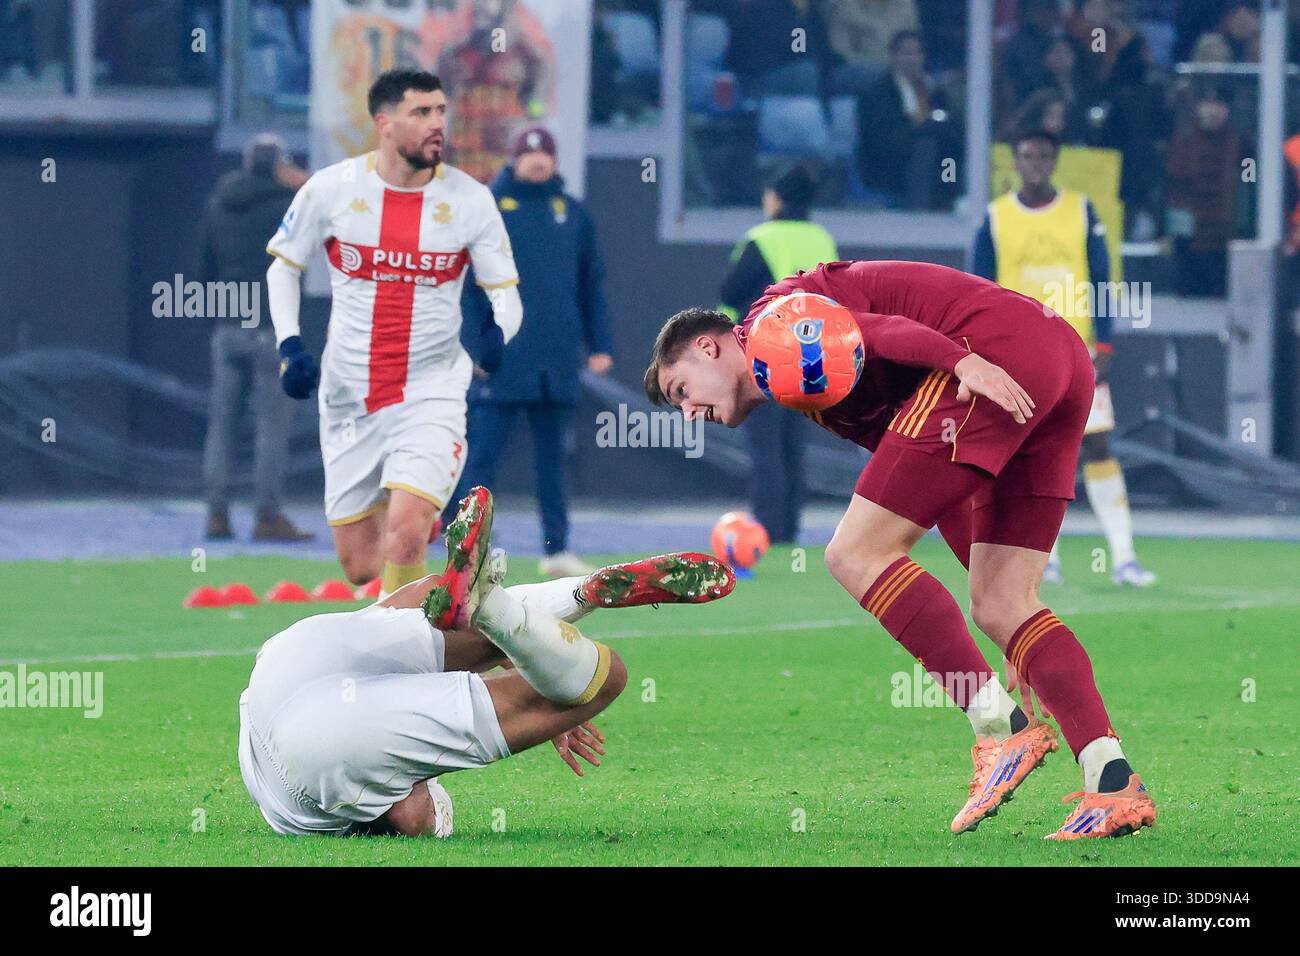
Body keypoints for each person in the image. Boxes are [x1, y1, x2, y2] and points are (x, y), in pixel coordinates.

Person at [643, 260, 1158, 840]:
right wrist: (1009, 630)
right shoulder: (804, 387)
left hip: (987, 357)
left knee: (852, 555)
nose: (688, 413)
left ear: (710, 347)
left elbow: (876, 331)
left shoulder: (769, 331)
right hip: (1060, 364)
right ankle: (1113, 785)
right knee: (1003, 602)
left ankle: (997, 724)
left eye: (680, 390)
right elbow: (941, 493)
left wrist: (965, 362)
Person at [238, 486, 735, 837]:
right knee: (430, 619)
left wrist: (544, 700)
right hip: (282, 661)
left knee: (583, 686)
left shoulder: (361, 778)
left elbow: (407, 812)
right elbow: (412, 809)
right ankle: (573, 593)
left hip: (306, 755)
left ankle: (500, 609)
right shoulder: (374, 765)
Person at [265, 69, 522, 599]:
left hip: (431, 389)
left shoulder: (470, 200)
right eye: (421, 113)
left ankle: (404, 654)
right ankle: (411, 517)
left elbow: (505, 292)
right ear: (384, 123)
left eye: (441, 112)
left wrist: (497, 335)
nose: (437, 125)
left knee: (406, 534)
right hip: (349, 395)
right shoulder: (332, 189)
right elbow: (282, 266)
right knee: (359, 567)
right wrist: (289, 345)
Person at [971, 128, 1155, 587]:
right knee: (1033, 453)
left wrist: (1106, 343)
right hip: (1020, 357)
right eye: (1028, 155)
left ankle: (1125, 556)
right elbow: (978, 293)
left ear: (1054, 161)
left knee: (1097, 445)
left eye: (1044, 156)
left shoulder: (1080, 210)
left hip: (1077, 352)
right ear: (1015, 161)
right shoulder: (995, 218)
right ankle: (1044, 558)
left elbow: (1101, 278)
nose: (1036, 164)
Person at [449, 127, 614, 578]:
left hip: (555, 359)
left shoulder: (573, 213)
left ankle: (555, 549)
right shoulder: (488, 210)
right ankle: (465, 546)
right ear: (514, 159)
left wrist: (599, 344)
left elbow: (590, 285)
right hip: (502, 359)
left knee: (552, 461)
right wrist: (477, 346)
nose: (538, 163)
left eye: (546, 156)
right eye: (530, 155)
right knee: (481, 455)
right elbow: (469, 290)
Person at [198, 133, 314, 543]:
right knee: (271, 427)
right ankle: (267, 516)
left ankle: (216, 516)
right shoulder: (286, 207)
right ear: (280, 166)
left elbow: (205, 269)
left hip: (228, 325)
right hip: (270, 327)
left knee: (221, 425)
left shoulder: (218, 203)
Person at [719, 166, 838, 544]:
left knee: (765, 447)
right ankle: (790, 529)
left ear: (777, 198)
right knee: (792, 446)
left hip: (766, 356)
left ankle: (767, 531)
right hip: (811, 361)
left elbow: (731, 290)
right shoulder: (822, 239)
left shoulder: (762, 238)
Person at [855, 30, 959, 210]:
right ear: (894, 56)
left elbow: (948, 125)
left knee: (948, 151)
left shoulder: (933, 91)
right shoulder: (877, 93)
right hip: (889, 164)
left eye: (917, 53)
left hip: (935, 162)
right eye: (906, 53)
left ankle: (950, 203)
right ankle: (918, 210)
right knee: (925, 147)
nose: (912, 59)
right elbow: (879, 139)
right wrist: (921, 130)